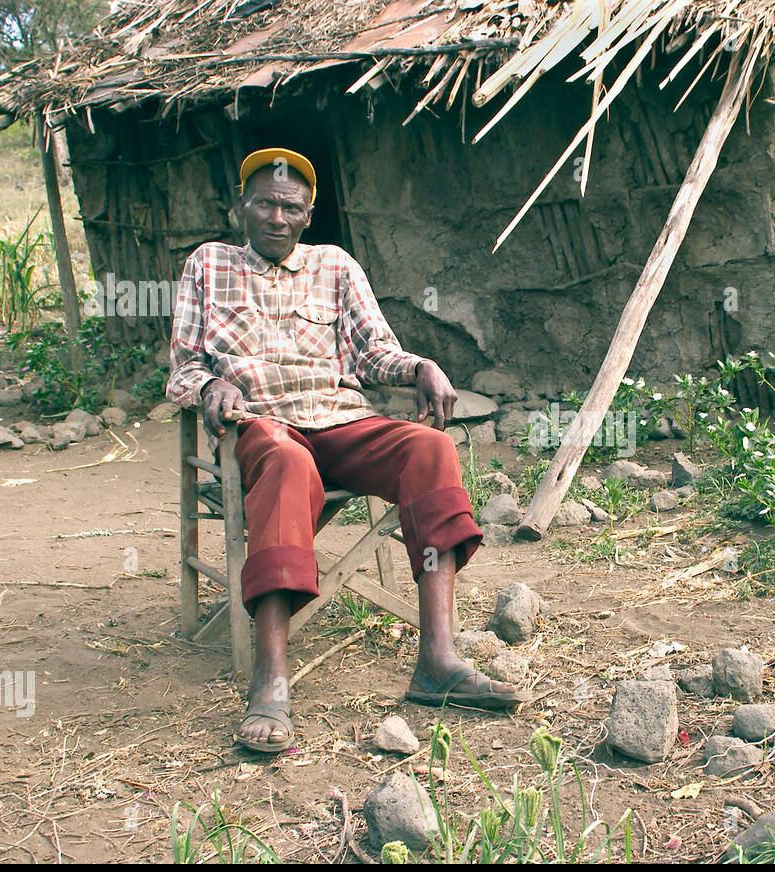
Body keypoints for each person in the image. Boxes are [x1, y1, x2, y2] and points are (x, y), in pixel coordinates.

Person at [167, 147, 526, 753]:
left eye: (290, 207)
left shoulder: (335, 265)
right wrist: (211, 384)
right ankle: (271, 678)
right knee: (287, 463)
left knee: (430, 449)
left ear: (308, 215)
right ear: (240, 208)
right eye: (264, 204)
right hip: (264, 426)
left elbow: (374, 353)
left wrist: (421, 365)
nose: (276, 217)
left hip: (341, 421)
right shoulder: (208, 264)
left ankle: (437, 659)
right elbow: (183, 366)